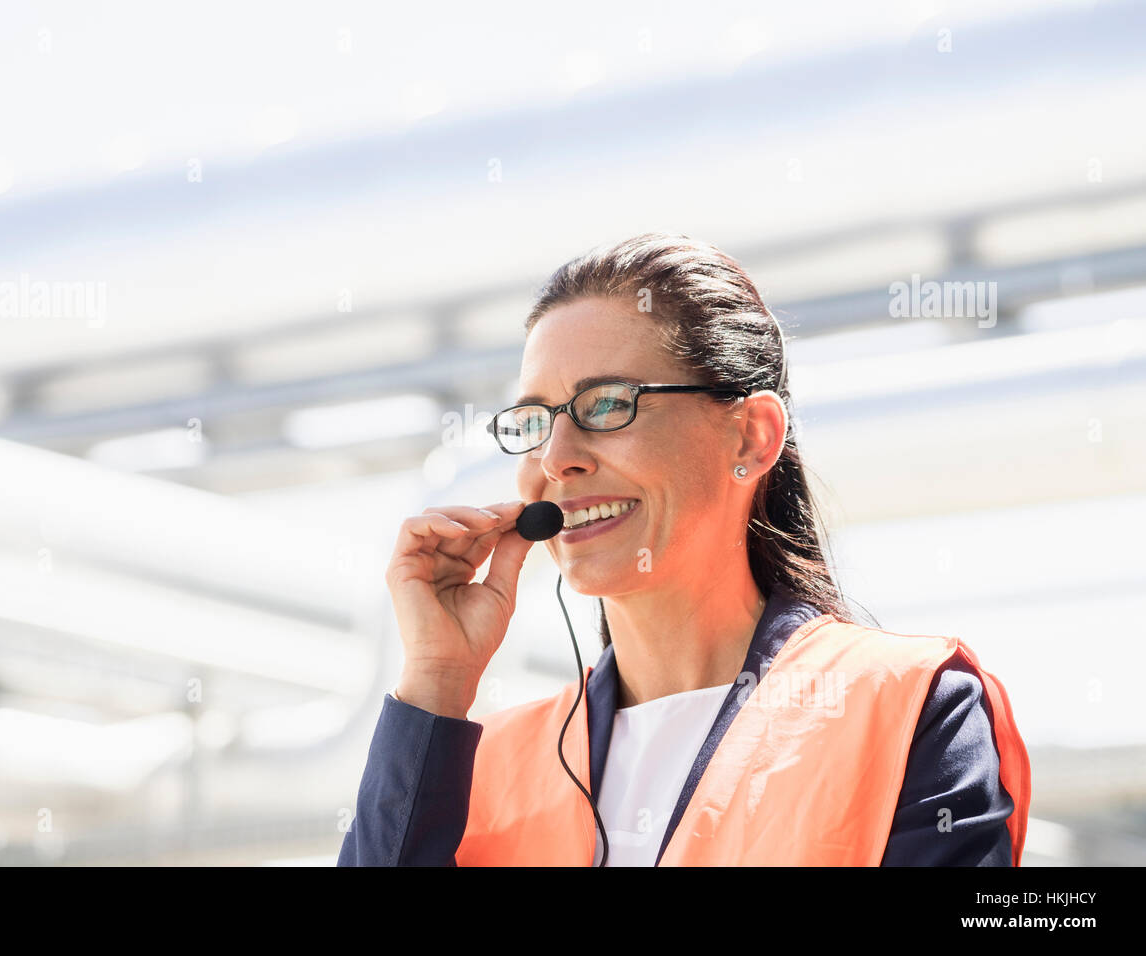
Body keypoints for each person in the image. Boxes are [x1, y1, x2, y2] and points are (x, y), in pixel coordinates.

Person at [337, 233, 1030, 866]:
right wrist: (436, 680)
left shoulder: (910, 706)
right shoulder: (481, 764)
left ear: (750, 437)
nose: (557, 457)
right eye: (535, 420)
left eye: (607, 405)